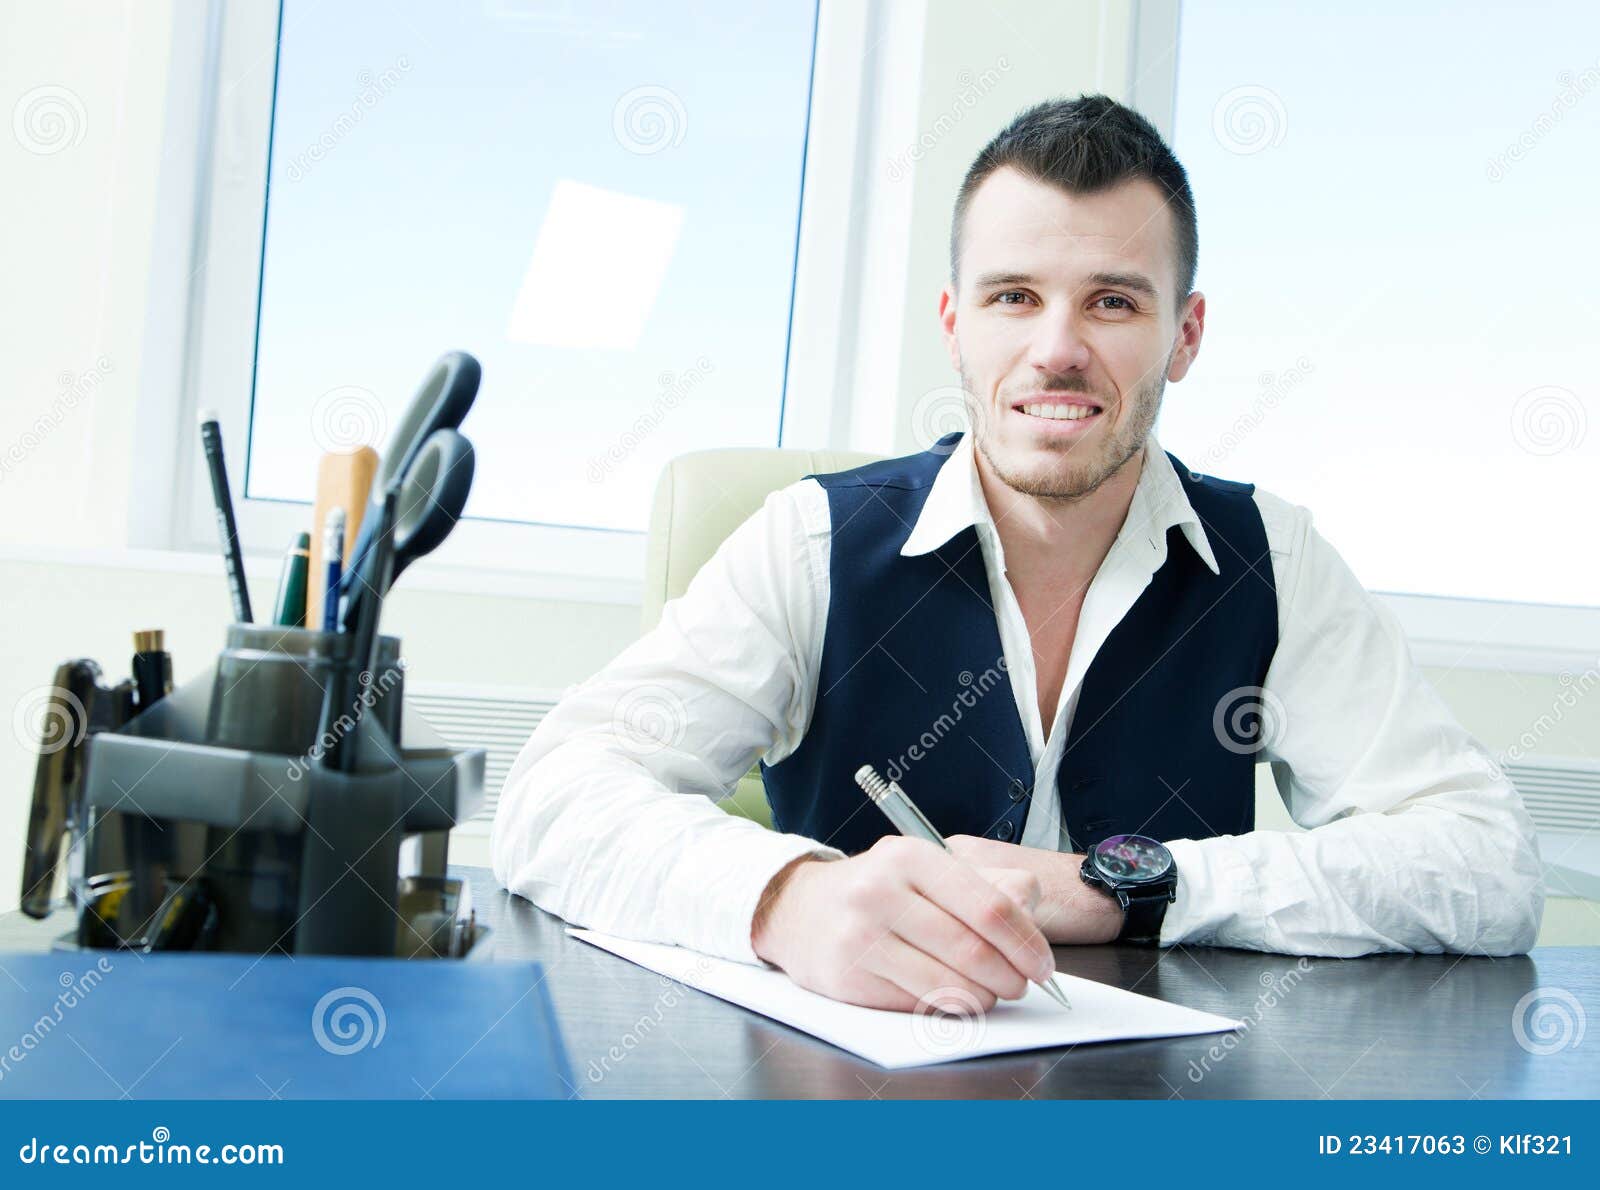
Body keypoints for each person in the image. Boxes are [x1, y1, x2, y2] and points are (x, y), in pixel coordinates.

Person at [492, 94, 1544, 1015]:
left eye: (1113, 300)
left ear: (1185, 333)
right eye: (1013, 297)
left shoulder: (1272, 556)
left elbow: (1484, 863)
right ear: (955, 323)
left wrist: (1123, 886)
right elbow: (554, 795)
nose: (1056, 348)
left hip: (1154, 1120)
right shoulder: (811, 538)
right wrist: (789, 897)